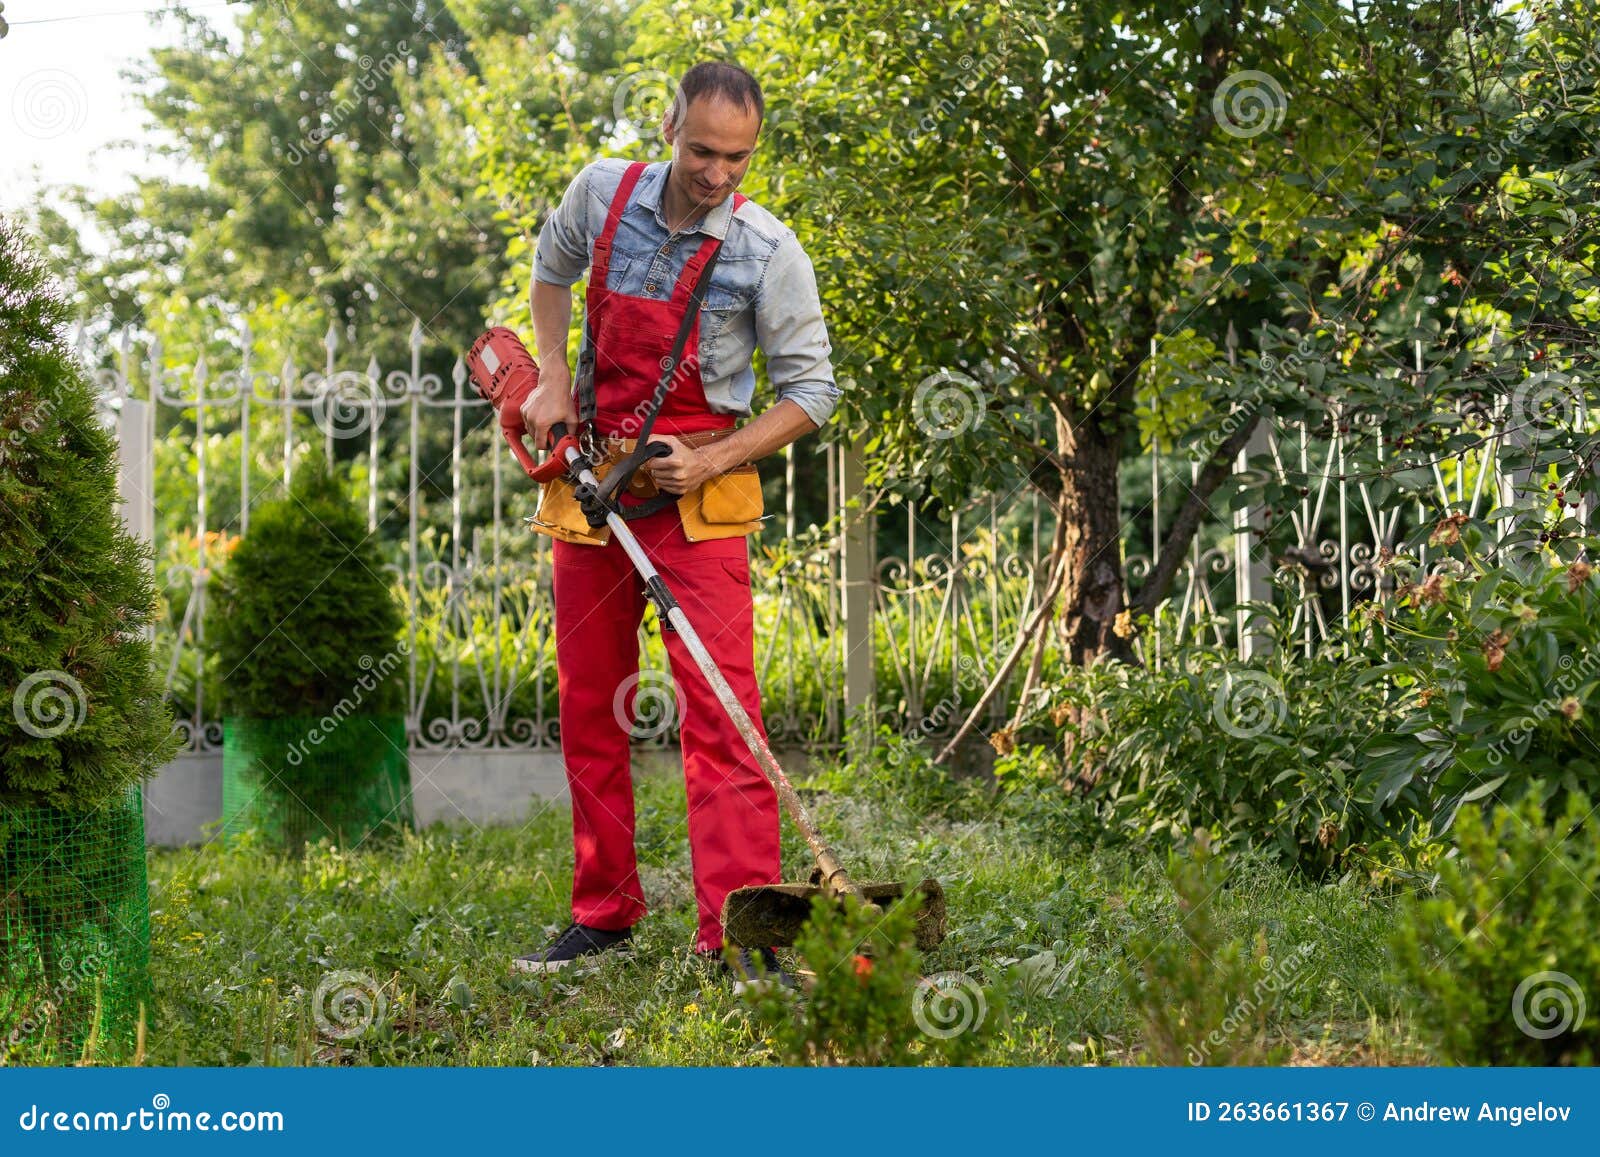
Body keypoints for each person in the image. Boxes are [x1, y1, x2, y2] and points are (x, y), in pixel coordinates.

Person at [514, 61, 839, 989]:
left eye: (737, 157)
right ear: (669, 130)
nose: (718, 173)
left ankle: (740, 936)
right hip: (592, 487)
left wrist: (714, 457)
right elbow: (549, 272)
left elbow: (812, 391)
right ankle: (600, 912)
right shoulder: (601, 193)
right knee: (590, 704)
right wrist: (548, 372)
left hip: (698, 497)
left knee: (722, 716)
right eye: (703, 151)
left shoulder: (769, 251)